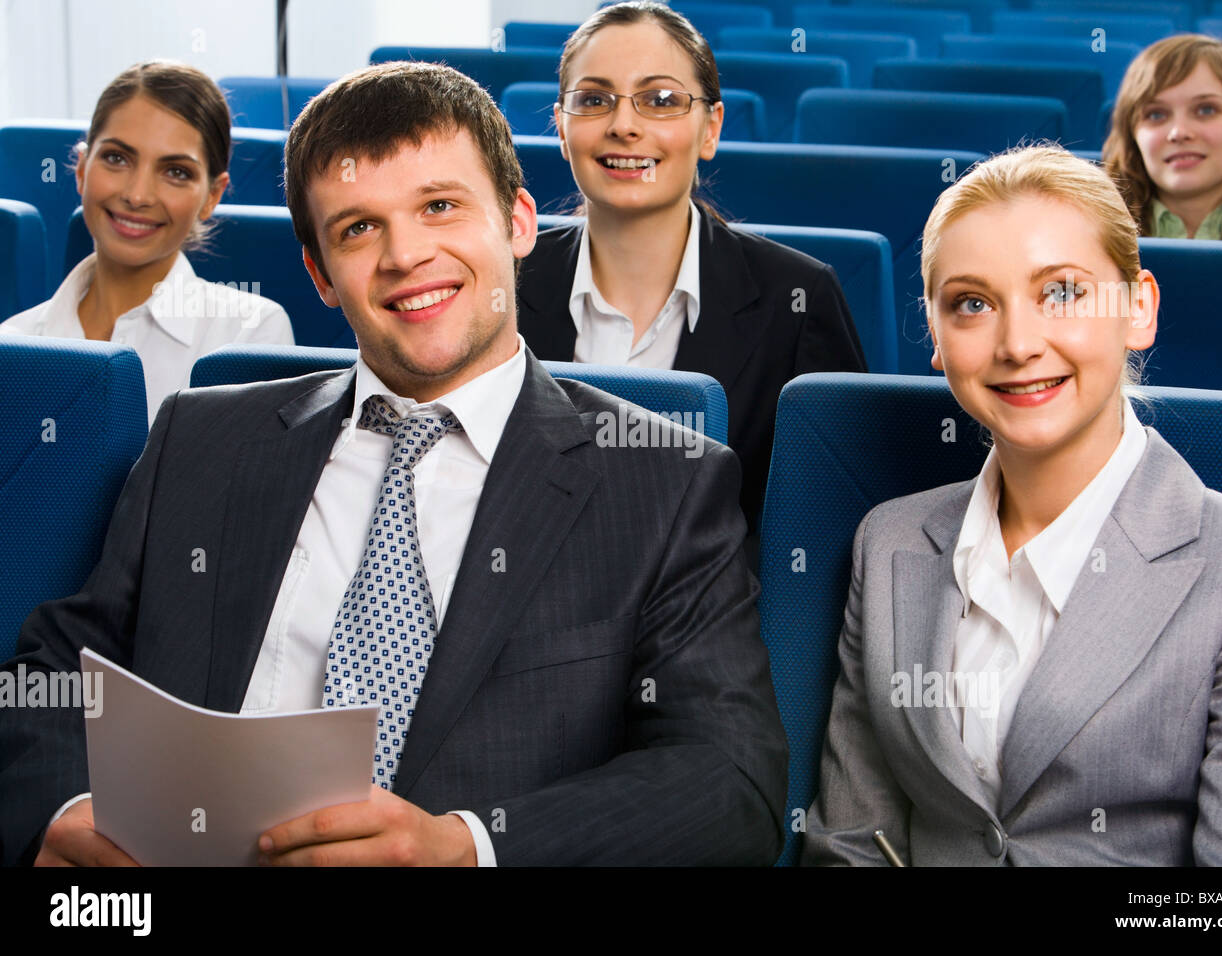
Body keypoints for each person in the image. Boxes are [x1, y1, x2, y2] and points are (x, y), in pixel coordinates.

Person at [0, 61, 788, 867]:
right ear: (320, 276)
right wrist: (61, 810)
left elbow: (730, 781)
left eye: (440, 207)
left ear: (519, 222)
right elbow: (51, 676)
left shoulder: (665, 480)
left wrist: (465, 849)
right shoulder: (198, 440)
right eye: (357, 228)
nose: (405, 255)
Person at [802, 146, 1222, 866]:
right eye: (972, 304)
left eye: (1062, 293)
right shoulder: (890, 541)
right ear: (936, 337)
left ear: (1138, 308)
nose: (1017, 344)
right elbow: (851, 840)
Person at [516, 1, 867, 548]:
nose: (624, 125)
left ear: (710, 128)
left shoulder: (799, 300)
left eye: (661, 100)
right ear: (561, 127)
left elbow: (824, 538)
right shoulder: (500, 286)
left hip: (709, 622)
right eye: (593, 100)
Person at [0, 61, 294, 424]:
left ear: (211, 196)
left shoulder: (249, 334)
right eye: (116, 158)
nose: (138, 195)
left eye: (175, 172)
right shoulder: (14, 342)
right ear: (81, 169)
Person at [1103, 33, 1222, 244]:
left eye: (1206, 110)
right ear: (1133, 138)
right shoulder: (1092, 240)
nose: (1179, 132)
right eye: (1156, 115)